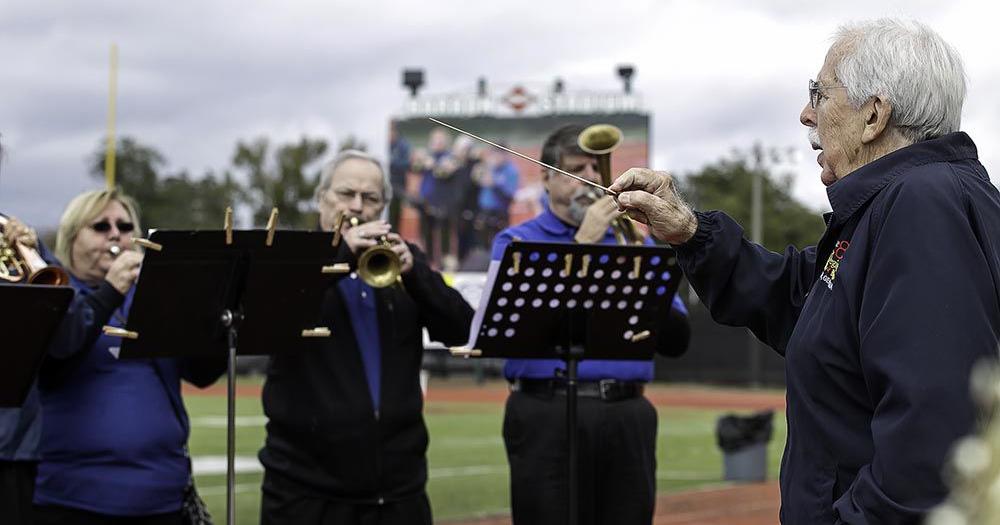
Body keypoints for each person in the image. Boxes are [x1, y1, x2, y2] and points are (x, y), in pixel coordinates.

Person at [610, 19, 1000, 524]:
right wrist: (690, 231)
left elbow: (930, 446)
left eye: (819, 93)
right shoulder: (899, 202)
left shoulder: (921, 205)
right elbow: (804, 303)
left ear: (874, 115)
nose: (805, 113)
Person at [258, 150, 474, 525]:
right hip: (306, 495)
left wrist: (417, 276)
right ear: (321, 198)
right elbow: (264, 319)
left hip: (397, 494)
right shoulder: (290, 258)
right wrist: (340, 254)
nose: (357, 206)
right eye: (346, 193)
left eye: (371, 198)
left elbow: (463, 330)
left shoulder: (404, 261)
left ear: (383, 207)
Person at [490, 124, 691, 525]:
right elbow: (516, 331)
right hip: (543, 410)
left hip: (625, 411)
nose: (591, 178)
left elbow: (675, 340)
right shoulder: (515, 242)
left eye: (596, 168)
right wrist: (581, 246)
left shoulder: (635, 242)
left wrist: (636, 253)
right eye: (574, 169)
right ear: (545, 177)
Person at [32, 188, 223, 524]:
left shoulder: (155, 297)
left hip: (162, 496)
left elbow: (201, 373)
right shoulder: (57, 295)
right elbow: (54, 364)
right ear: (71, 238)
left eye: (124, 226)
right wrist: (111, 290)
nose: (115, 234)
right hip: (73, 500)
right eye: (100, 227)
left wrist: (215, 318)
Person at [476, 147, 520, 250]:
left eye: (497, 155)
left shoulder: (511, 171)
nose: (495, 158)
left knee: (500, 243)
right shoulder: (489, 168)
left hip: (500, 212)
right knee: (483, 245)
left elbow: (510, 194)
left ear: (505, 155)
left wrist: (495, 184)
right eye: (493, 155)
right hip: (485, 211)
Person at [387, 120, 411, 232]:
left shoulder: (403, 144)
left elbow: (407, 163)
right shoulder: (383, 143)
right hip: (384, 184)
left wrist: (391, 163)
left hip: (398, 185)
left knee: (395, 215)